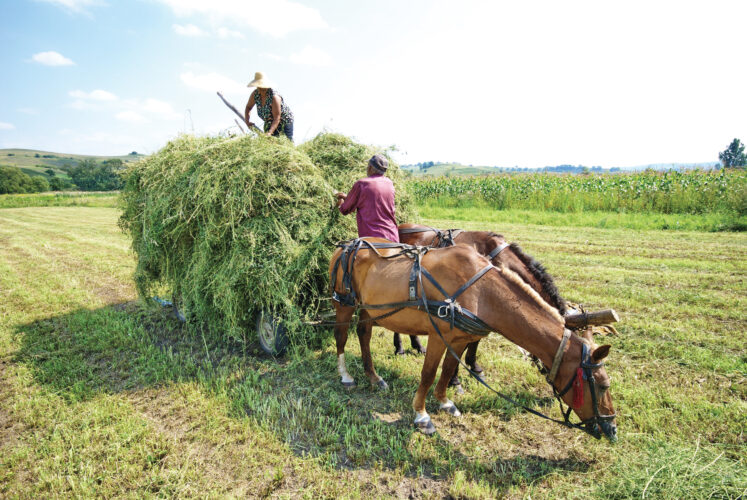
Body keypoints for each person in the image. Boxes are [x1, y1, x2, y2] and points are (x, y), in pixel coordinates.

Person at [336, 155, 399, 242]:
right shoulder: (389, 183)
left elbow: (345, 210)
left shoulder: (362, 184)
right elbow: (373, 200)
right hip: (392, 237)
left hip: (371, 239)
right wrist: (348, 197)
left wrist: (340, 203)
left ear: (370, 167)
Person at [244, 72, 294, 141]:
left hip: (284, 121)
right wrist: (247, 121)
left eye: (264, 87)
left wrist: (269, 133)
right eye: (260, 87)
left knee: (285, 143)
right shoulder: (255, 94)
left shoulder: (274, 97)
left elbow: (277, 117)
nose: (262, 89)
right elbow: (248, 107)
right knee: (269, 143)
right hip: (269, 121)